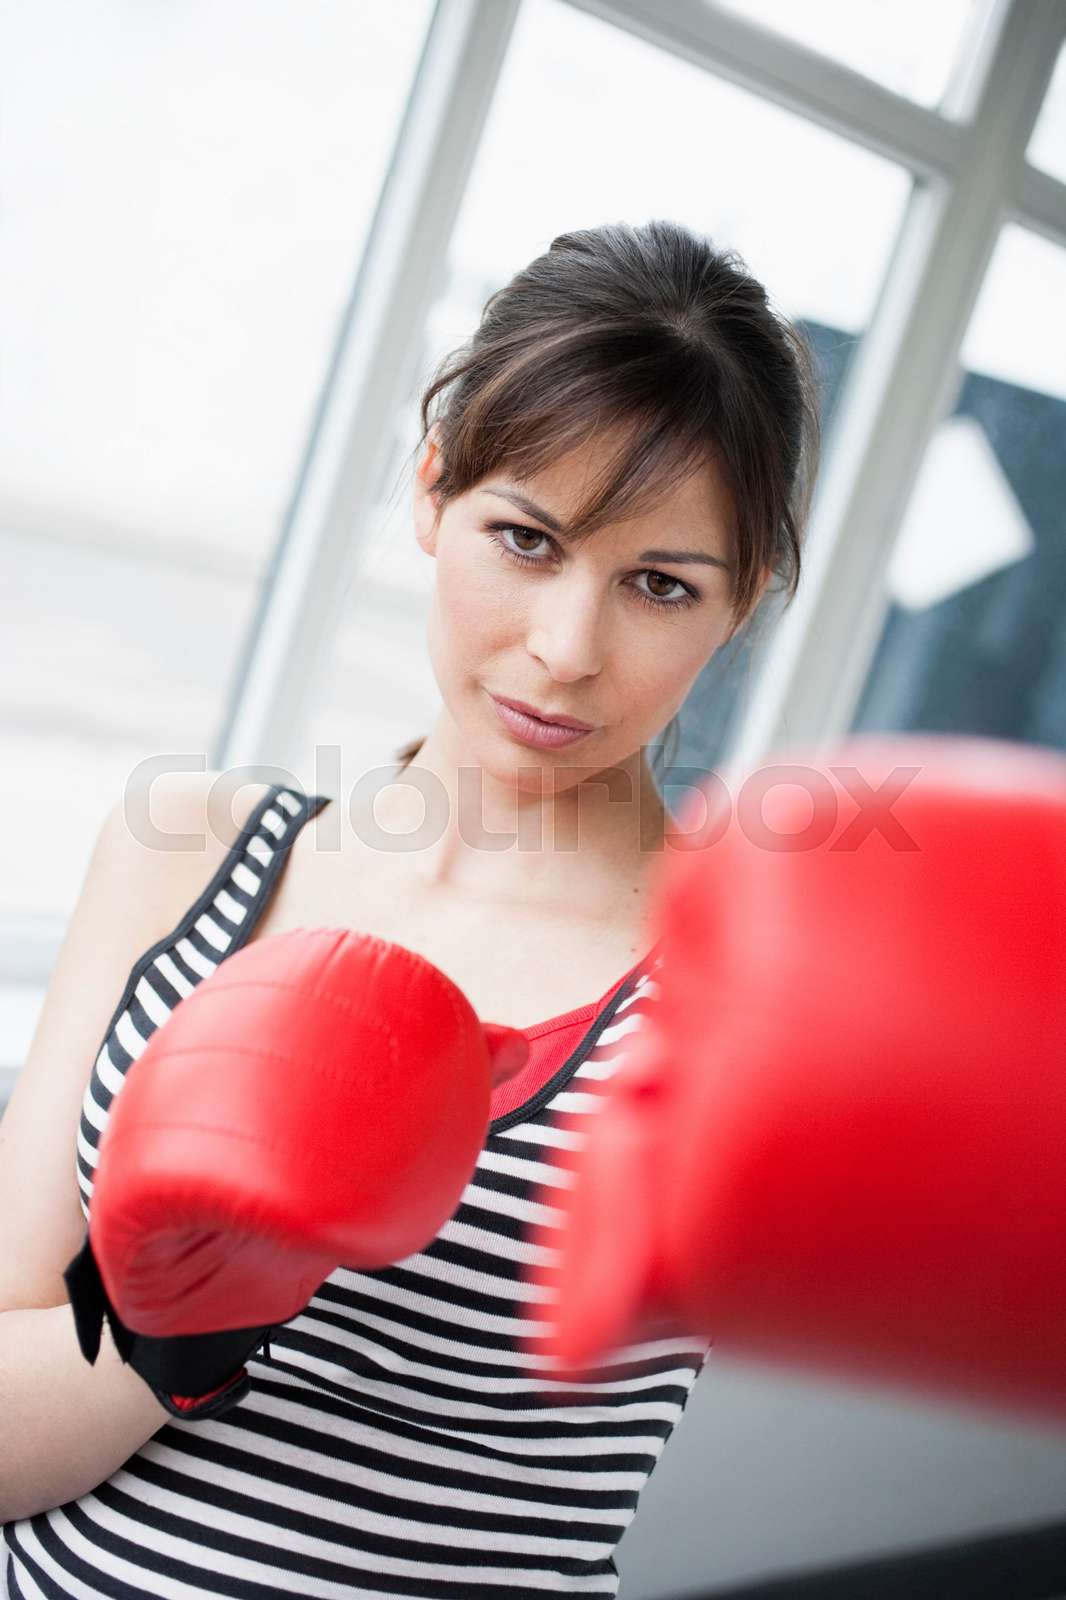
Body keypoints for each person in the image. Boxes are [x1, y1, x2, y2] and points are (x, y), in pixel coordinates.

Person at [0, 217, 820, 1597]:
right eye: (526, 539)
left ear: (739, 607)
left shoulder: (751, 1000)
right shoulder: (185, 852)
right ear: (432, 487)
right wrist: (166, 1335)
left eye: (659, 585)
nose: (565, 650)